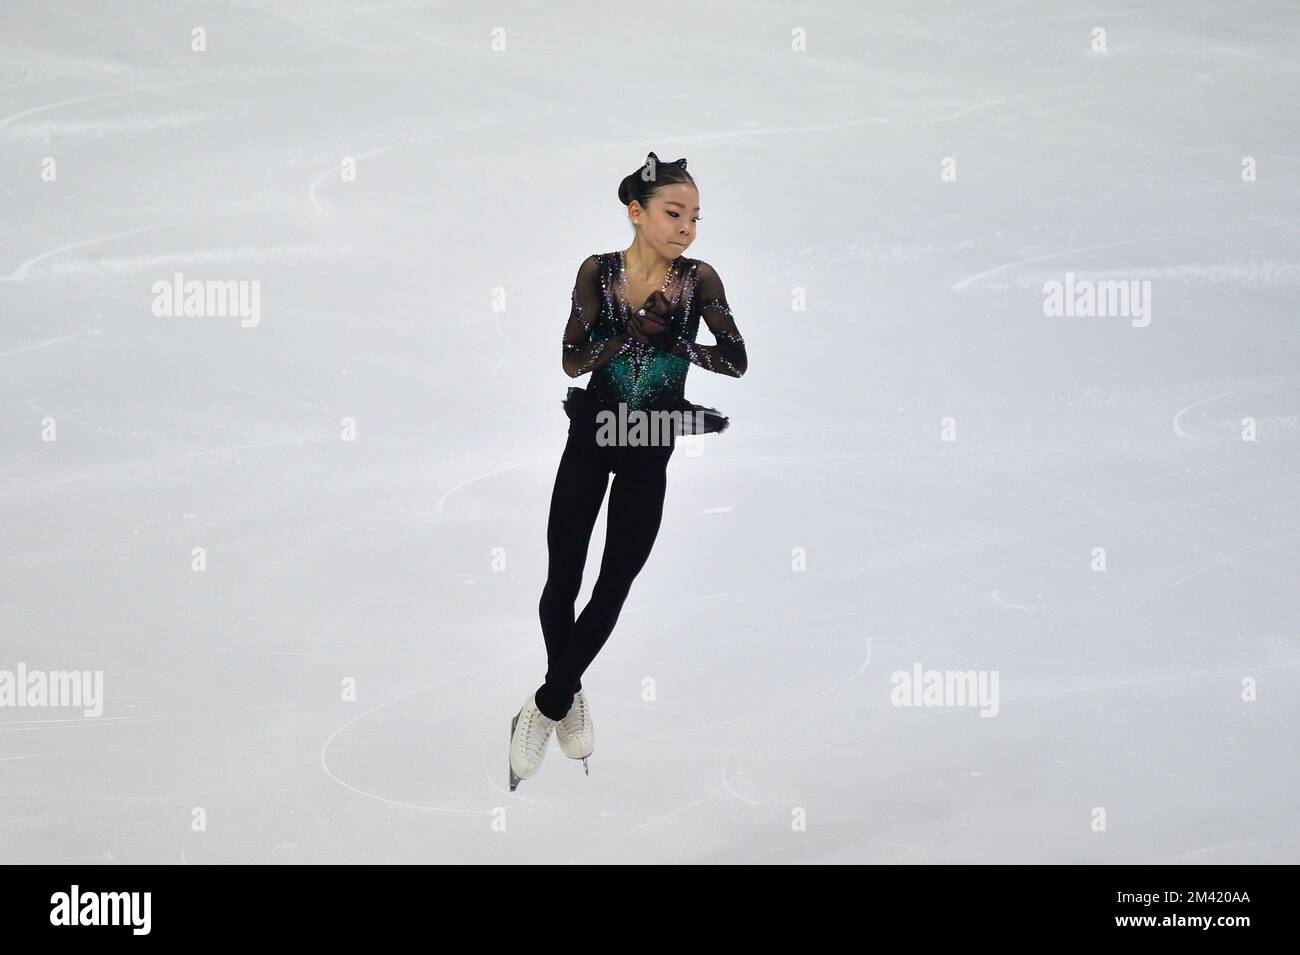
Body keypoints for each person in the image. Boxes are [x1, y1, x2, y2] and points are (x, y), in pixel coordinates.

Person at [509, 151, 748, 790]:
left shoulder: (699, 280)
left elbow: (735, 361)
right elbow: (571, 360)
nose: (687, 228)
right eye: (675, 214)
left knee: (614, 583)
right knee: (563, 576)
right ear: (636, 212)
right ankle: (569, 685)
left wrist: (677, 343)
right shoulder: (599, 272)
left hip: (650, 444)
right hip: (591, 437)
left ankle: (547, 702)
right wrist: (627, 336)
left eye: (695, 217)